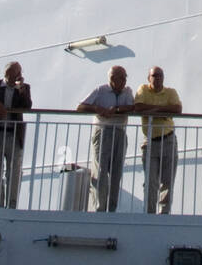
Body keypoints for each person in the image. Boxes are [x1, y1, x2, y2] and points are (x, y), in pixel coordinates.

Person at [77, 66, 134, 212]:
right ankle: (99, 208)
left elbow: (133, 108)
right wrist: (98, 109)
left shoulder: (128, 92)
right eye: (122, 77)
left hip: (120, 132)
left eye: (125, 77)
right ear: (113, 79)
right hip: (103, 130)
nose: (124, 80)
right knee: (101, 171)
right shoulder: (100, 90)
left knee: (116, 173)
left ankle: (111, 209)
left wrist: (117, 109)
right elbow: (81, 107)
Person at [0, 63, 32, 209]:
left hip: (14, 134)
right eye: (10, 74)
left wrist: (22, 90)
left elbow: (27, 106)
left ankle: (11, 204)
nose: (12, 77)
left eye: (15, 74)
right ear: (6, 73)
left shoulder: (24, 88)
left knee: (14, 172)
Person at [133, 67, 182, 214]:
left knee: (167, 181)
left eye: (160, 75)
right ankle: (149, 213)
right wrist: (164, 110)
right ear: (149, 78)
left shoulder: (170, 92)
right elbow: (138, 107)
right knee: (151, 182)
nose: (157, 78)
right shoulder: (143, 89)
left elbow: (177, 109)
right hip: (150, 141)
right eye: (154, 75)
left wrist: (152, 112)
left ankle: (164, 213)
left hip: (168, 139)